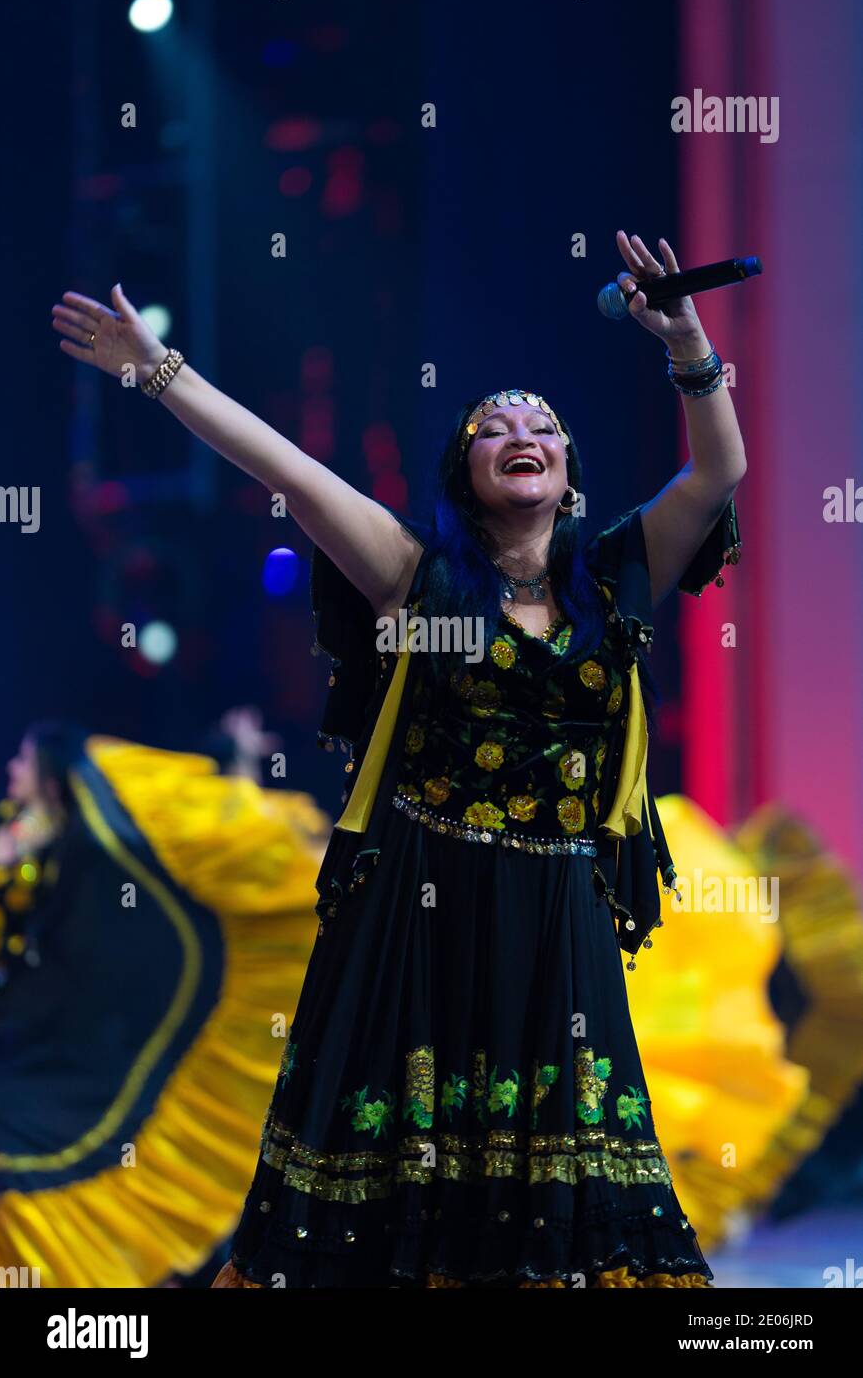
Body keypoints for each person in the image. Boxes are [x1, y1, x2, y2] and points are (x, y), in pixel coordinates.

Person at [52, 230, 746, 1287]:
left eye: (544, 426)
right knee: (397, 1201)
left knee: (568, 1199)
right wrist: (155, 370)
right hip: (416, 918)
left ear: (567, 475)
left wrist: (683, 337)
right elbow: (281, 462)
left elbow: (718, 467)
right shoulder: (413, 578)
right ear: (465, 476)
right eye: (492, 427)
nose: (522, 431)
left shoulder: (617, 576)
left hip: (557, 924)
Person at [0, 718, 328, 1287]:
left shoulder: (92, 819)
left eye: (23, 759)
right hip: (40, 1036)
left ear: (51, 771)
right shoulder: (23, 837)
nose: (11, 770)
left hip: (87, 1038)